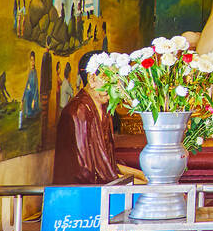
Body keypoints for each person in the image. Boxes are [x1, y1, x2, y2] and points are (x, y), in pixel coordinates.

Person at [54, 50, 145, 185]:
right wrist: (135, 183)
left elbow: (108, 164)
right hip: (81, 193)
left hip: (104, 184)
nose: (116, 85)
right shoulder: (78, 111)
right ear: (92, 79)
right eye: (109, 79)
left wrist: (141, 176)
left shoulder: (104, 109)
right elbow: (85, 171)